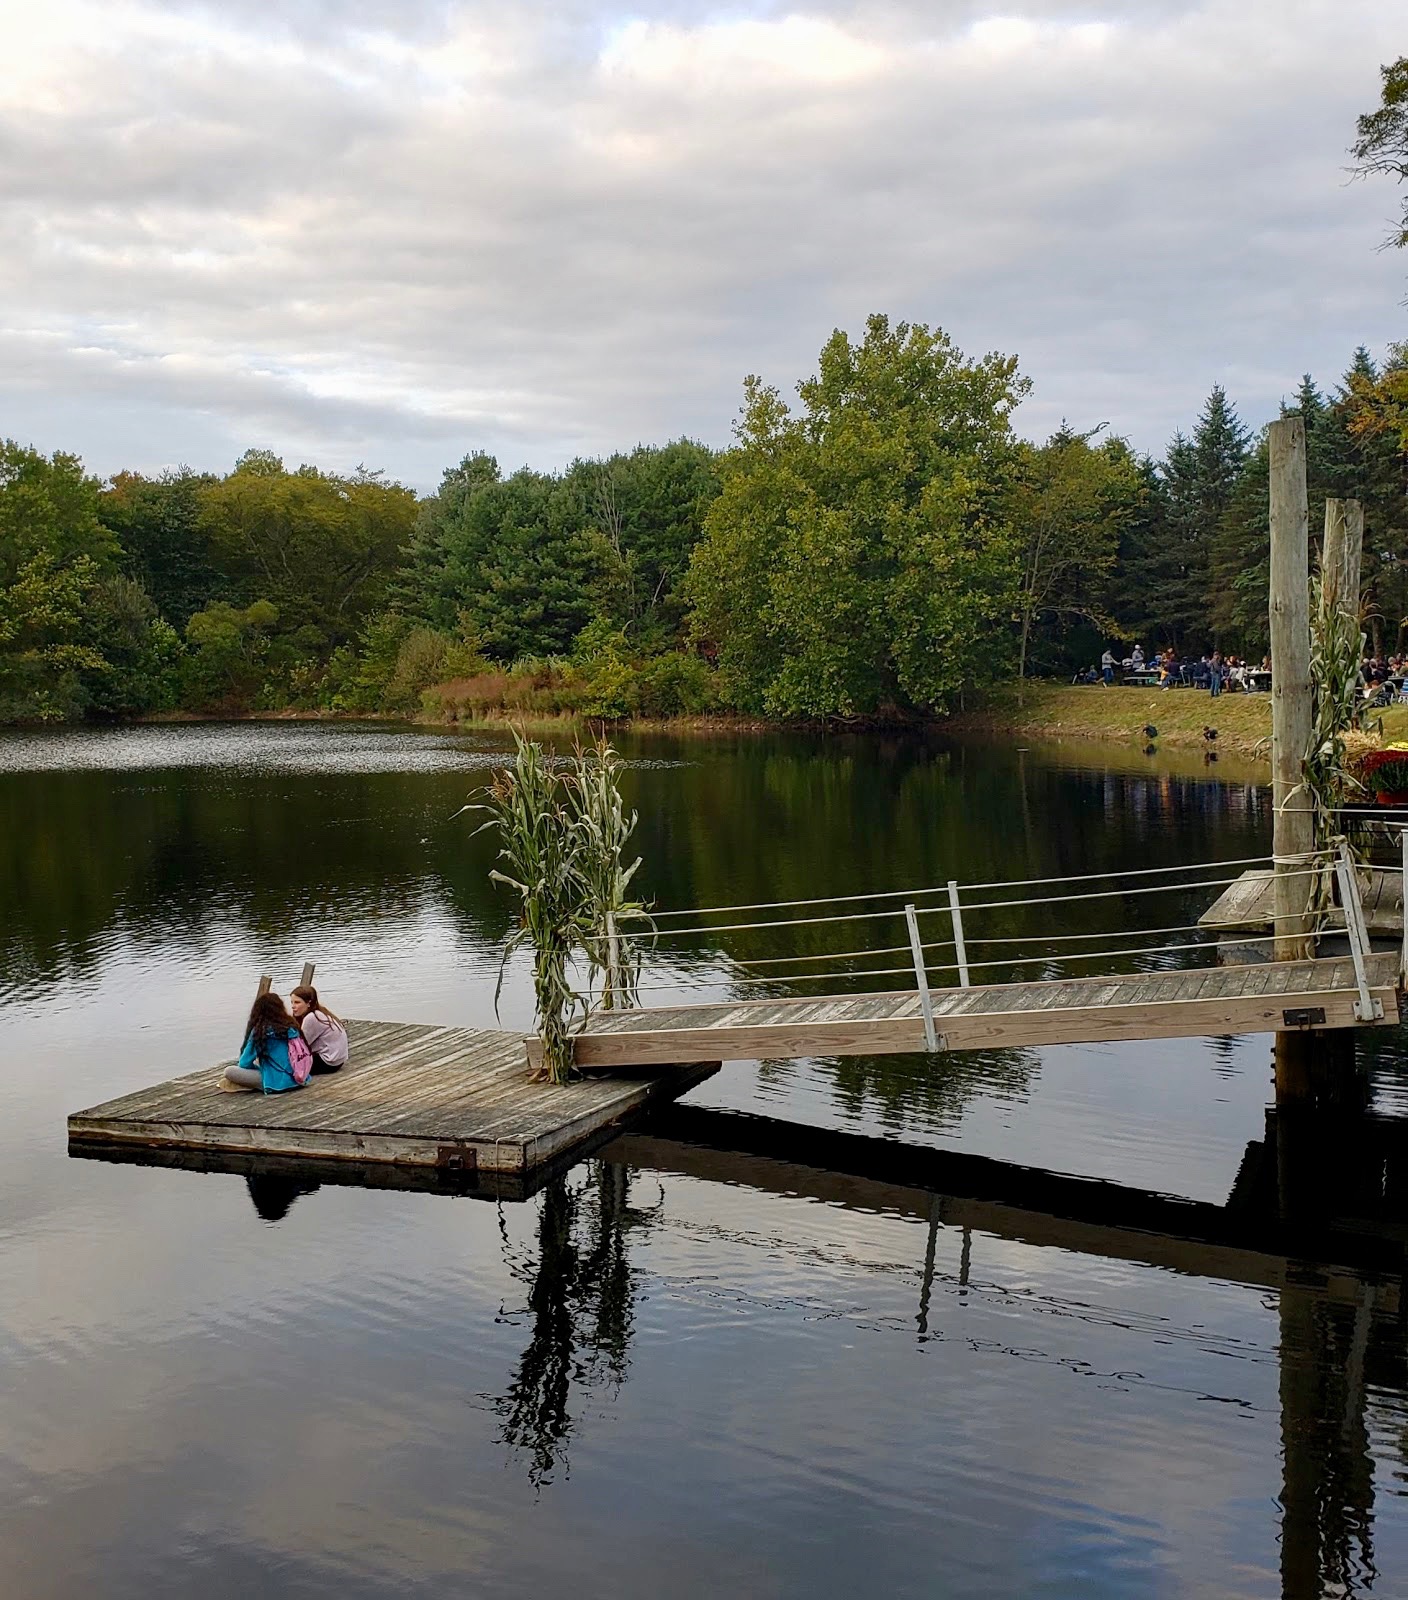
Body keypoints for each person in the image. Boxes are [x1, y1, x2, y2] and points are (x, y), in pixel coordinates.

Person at [226, 992, 306, 1093]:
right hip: (298, 1078)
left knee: (229, 1071)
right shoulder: (291, 1027)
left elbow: (244, 1063)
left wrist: (257, 1068)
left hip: (275, 1083)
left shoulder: (259, 1031)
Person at [291, 985, 349, 1074]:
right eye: (292, 1002)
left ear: (308, 1003)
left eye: (297, 1002)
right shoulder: (321, 1012)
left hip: (328, 1062)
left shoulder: (312, 1017)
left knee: (287, 1064)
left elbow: (301, 1046)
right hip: (338, 1060)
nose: (293, 1006)